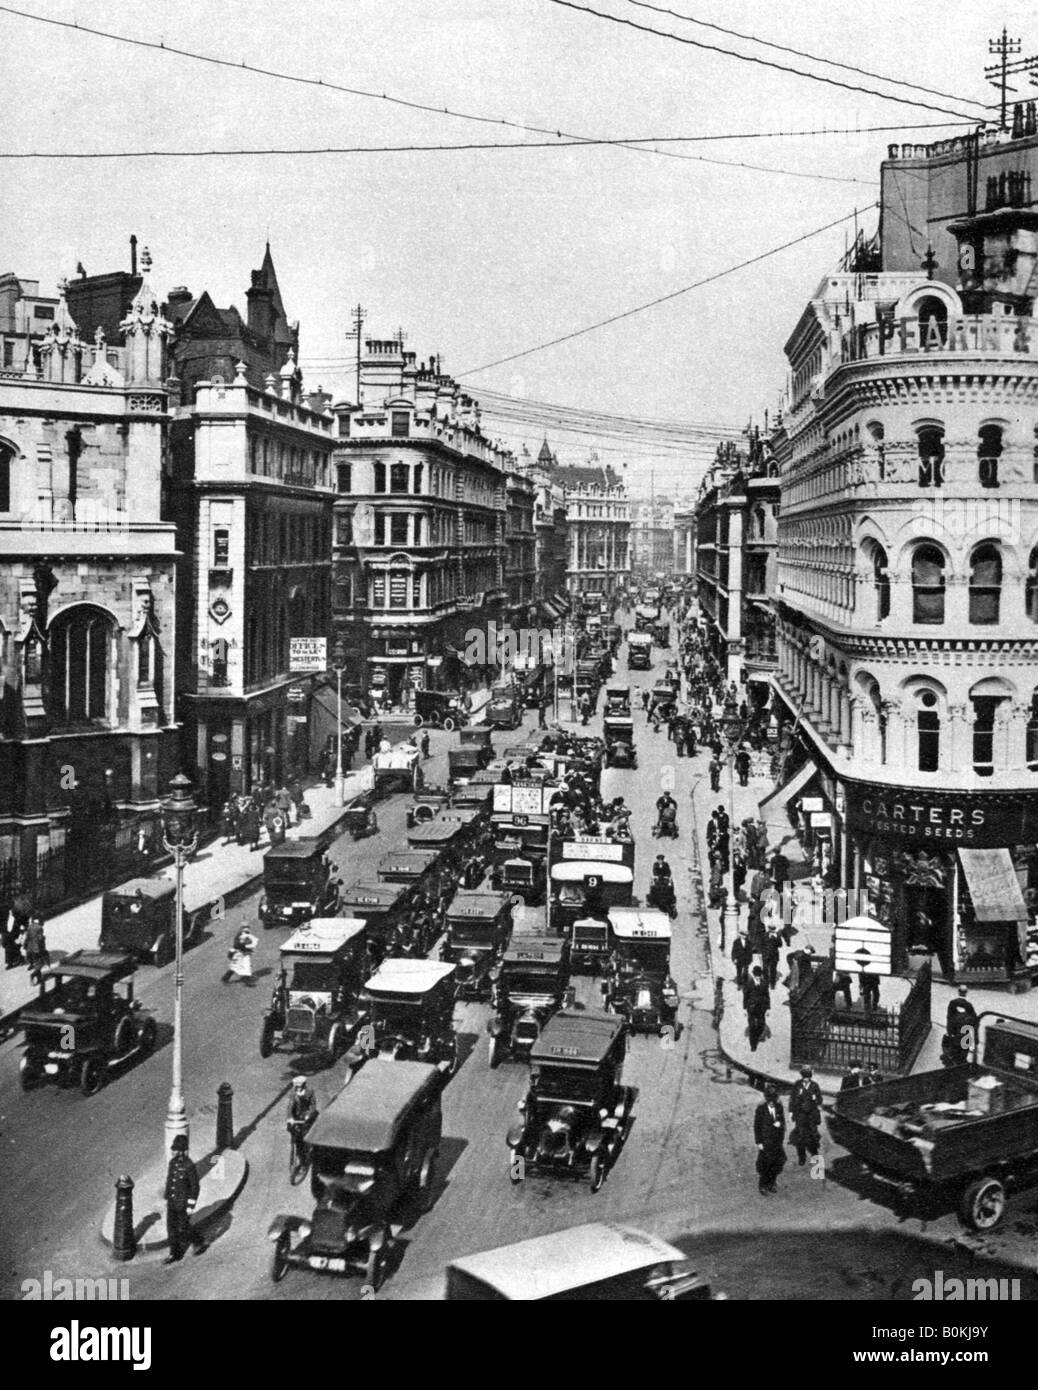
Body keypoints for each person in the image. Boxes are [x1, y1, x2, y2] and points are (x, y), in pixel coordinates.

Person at [163, 1134, 207, 1264]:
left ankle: (199, 1241)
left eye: (175, 1149)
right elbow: (170, 1180)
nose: (173, 1151)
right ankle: (174, 1253)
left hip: (182, 1204)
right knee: (171, 1228)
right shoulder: (172, 1163)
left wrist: (190, 1206)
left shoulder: (189, 1166)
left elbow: (195, 1187)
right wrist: (167, 1195)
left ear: (181, 1151)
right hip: (172, 1202)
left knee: (184, 1228)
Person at [754, 1082, 786, 1194]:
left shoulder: (779, 1107)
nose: (772, 1102)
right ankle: (763, 1185)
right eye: (770, 1099)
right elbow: (757, 1126)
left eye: (774, 1098)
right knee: (765, 1164)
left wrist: (780, 1124)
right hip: (766, 1141)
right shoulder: (761, 1109)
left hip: (776, 1141)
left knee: (776, 1163)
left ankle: (772, 1183)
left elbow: (783, 1124)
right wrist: (759, 1142)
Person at [789, 1066, 823, 1166]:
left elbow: (820, 1100)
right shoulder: (797, 1084)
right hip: (800, 1114)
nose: (806, 1078)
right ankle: (802, 1157)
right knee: (801, 1136)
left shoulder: (815, 1085)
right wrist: (791, 1112)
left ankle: (815, 1156)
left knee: (813, 1135)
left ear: (810, 1076)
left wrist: (815, 1098)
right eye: (804, 1076)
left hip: (811, 1115)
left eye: (808, 1076)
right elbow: (792, 1099)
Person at [945, 985, 979, 1060]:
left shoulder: (953, 1003)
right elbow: (974, 1020)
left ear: (958, 992)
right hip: (965, 1033)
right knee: (963, 1053)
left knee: (954, 1050)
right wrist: (975, 1039)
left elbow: (949, 1017)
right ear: (966, 993)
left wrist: (949, 1031)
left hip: (954, 1032)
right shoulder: (968, 1005)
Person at [743, 966, 770, 1053]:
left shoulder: (764, 983)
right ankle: (753, 1045)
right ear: (753, 974)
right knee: (751, 1026)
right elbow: (745, 996)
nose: (758, 976)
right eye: (756, 975)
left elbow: (767, 995)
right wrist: (744, 1008)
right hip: (751, 1008)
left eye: (759, 975)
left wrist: (768, 1008)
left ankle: (756, 1036)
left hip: (761, 1008)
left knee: (761, 1025)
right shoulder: (748, 983)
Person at [23, 914, 50, 984]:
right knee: (40, 963)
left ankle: (39, 979)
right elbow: (40, 939)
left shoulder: (30, 926)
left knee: (37, 963)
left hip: (30, 949)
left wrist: (25, 946)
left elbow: (27, 938)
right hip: (37, 949)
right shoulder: (39, 928)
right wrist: (44, 938)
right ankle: (33, 975)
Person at [762, 925, 782, 990]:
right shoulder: (765, 935)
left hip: (774, 956)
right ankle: (765, 983)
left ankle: (772, 984)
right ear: (768, 929)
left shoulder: (777, 936)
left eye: (773, 929)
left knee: (773, 971)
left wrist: (777, 938)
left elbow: (780, 945)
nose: (771, 930)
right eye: (770, 929)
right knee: (765, 970)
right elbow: (761, 944)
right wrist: (762, 952)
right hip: (766, 956)